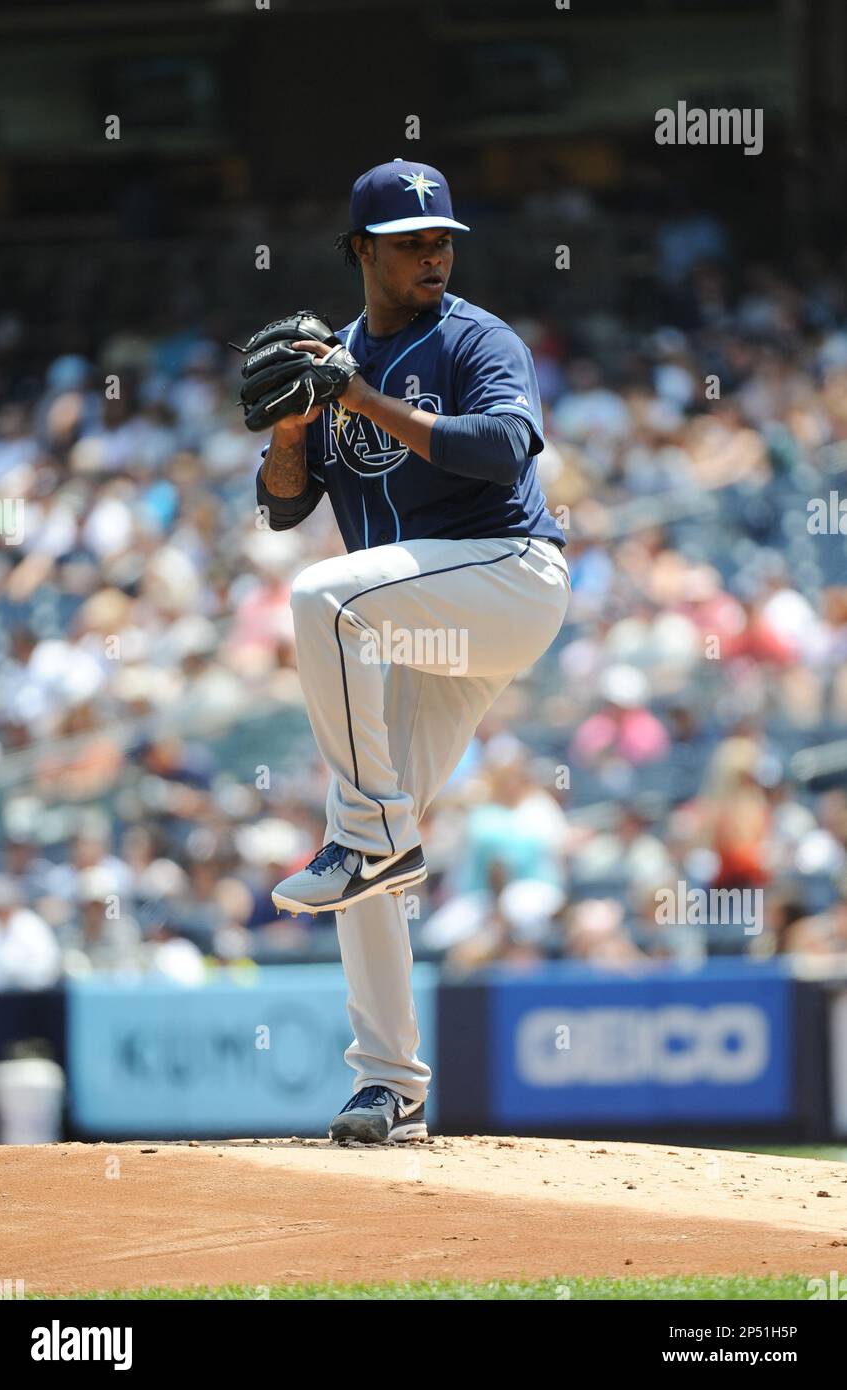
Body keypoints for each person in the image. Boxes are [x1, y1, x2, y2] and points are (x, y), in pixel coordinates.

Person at [252, 160, 571, 1143]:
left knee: (321, 598)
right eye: (409, 242)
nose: (432, 254)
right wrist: (293, 427)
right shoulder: (335, 356)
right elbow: (282, 507)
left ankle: (371, 832)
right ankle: (389, 1084)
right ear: (361, 251)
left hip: (508, 577)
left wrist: (361, 396)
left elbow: (498, 449)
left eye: (441, 240)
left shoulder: (476, 338)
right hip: (425, 621)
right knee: (368, 845)